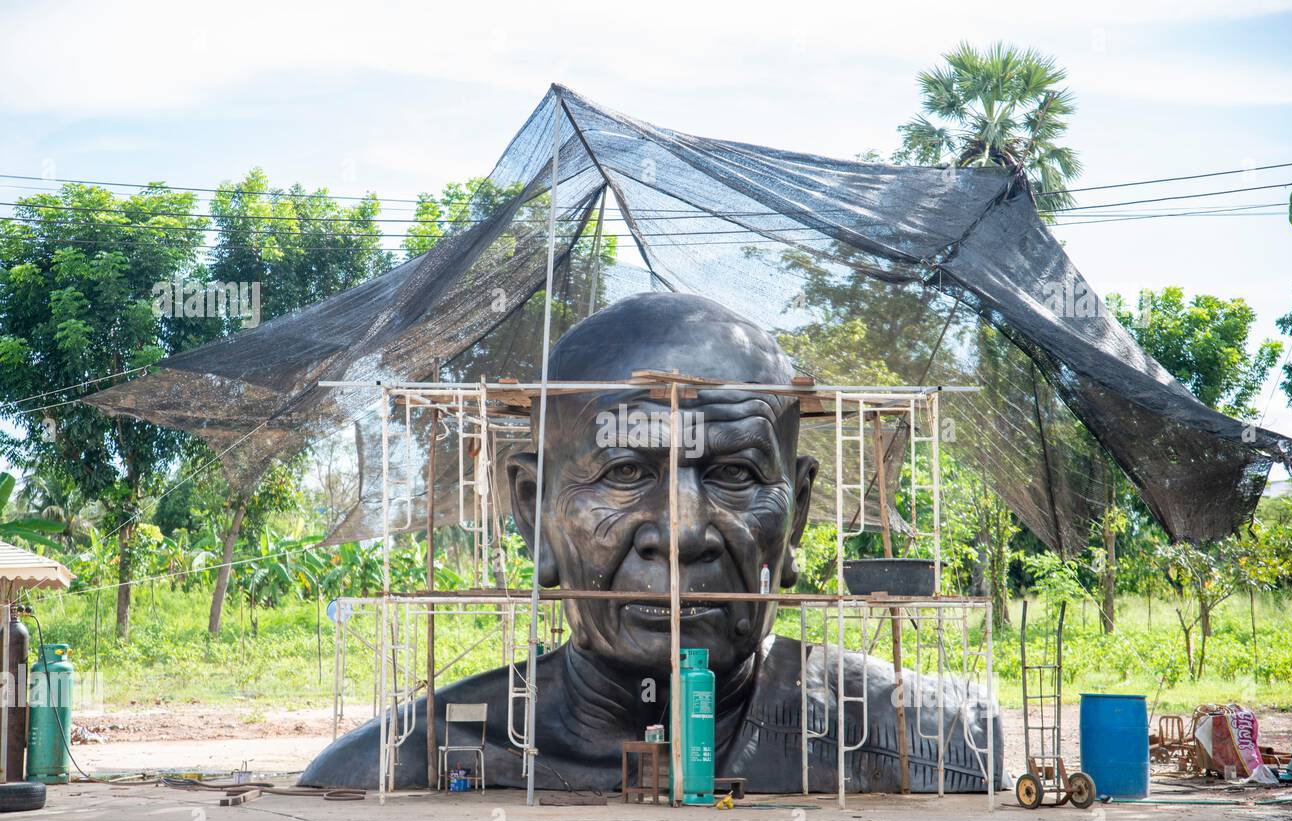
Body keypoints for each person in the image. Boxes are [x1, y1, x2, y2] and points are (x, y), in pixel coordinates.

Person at [301, 292, 1000, 792]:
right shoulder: (412, 757)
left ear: (800, 513)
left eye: (733, 473)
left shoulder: (935, 740)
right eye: (626, 472)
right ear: (530, 512)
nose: (682, 534)